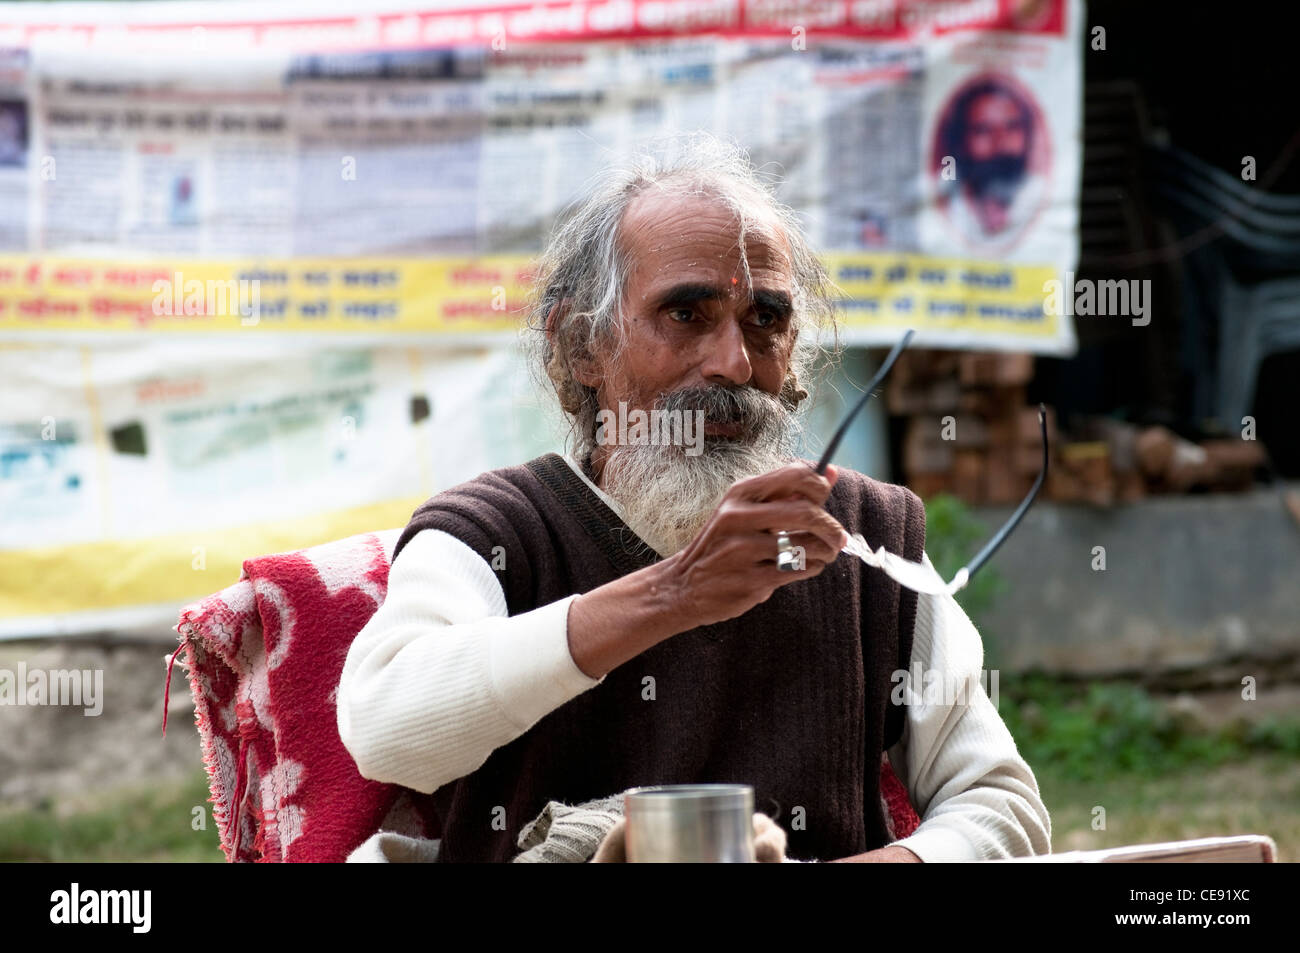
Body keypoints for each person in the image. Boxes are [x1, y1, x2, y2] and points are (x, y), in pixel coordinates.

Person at [336, 133, 1051, 863]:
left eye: (765, 320)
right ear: (581, 345)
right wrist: (677, 592)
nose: (733, 362)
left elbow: (1000, 802)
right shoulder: (496, 533)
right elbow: (387, 731)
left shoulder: (861, 534)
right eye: (686, 314)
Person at [936, 77, 1047, 244]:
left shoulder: (1039, 194)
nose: (1001, 141)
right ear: (960, 142)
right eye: (983, 130)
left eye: (1012, 127)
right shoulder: (944, 200)